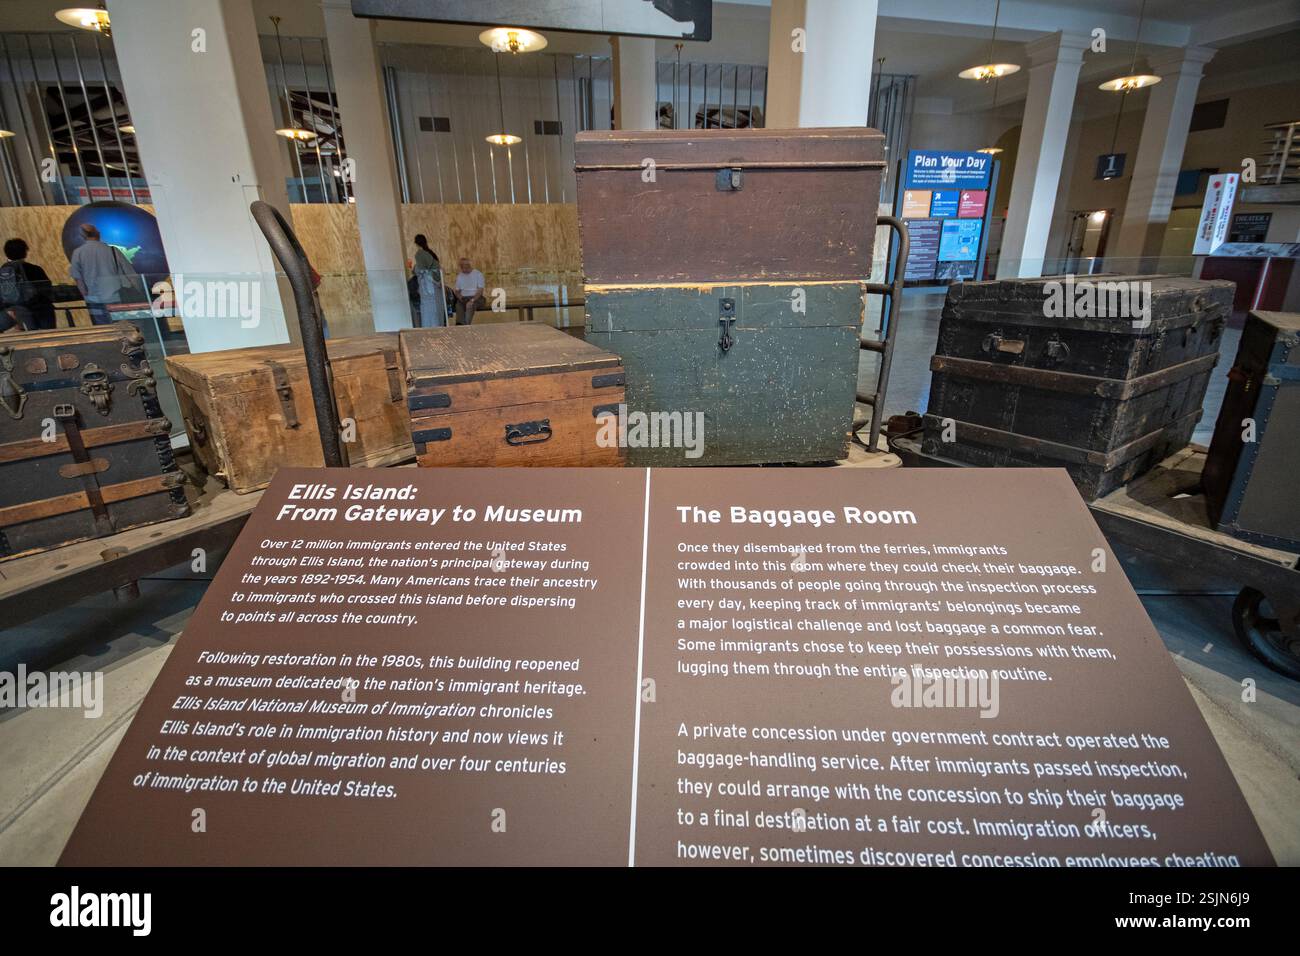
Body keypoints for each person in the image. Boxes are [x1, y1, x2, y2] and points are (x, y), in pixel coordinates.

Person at [68, 223, 138, 325]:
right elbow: (130, 273)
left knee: (102, 326)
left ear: (83, 236)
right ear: (98, 234)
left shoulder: (78, 253)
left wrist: (86, 295)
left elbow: (78, 278)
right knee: (122, 325)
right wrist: (138, 291)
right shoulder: (112, 250)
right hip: (116, 296)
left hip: (93, 298)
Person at [0, 238, 56, 331]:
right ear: (25, 252)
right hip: (39, 309)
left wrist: (9, 310)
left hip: (14, 311)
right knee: (48, 333)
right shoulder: (35, 269)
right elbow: (47, 290)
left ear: (6, 253)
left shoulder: (2, 272)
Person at [412, 235, 446, 328]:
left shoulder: (420, 254)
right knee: (436, 313)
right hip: (435, 289)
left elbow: (420, 270)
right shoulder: (431, 254)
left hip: (428, 289)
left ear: (416, 243)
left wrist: (415, 269)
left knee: (429, 315)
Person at [452, 257, 485, 326]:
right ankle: (460, 325)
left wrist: (472, 300)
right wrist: (460, 298)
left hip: (477, 298)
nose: (463, 269)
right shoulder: (460, 276)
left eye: (464, 267)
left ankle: (466, 325)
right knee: (458, 305)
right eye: (461, 267)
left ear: (468, 266)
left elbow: (480, 291)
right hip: (464, 297)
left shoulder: (478, 274)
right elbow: (457, 291)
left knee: (470, 306)